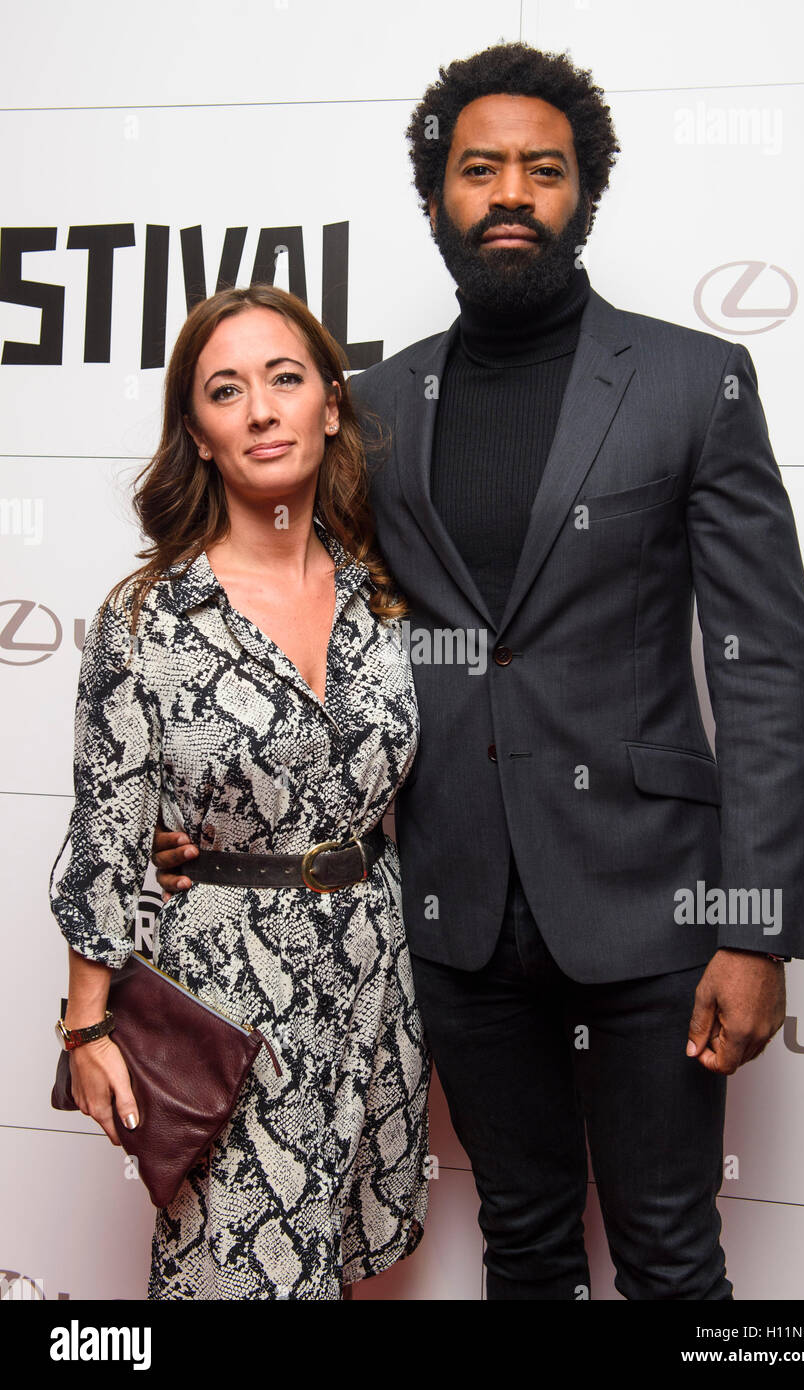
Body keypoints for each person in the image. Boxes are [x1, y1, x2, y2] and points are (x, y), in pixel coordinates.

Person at [155, 43, 804, 1300]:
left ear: (583, 195)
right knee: (520, 1247)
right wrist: (211, 817)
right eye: (478, 170)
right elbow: (304, 625)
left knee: (672, 1259)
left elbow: (768, 670)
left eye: (542, 169)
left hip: (653, 917)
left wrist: (755, 927)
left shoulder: (691, 381)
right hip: (451, 915)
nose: (509, 191)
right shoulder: (372, 406)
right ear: (436, 201)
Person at [49, 285, 430, 1301]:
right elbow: (106, 831)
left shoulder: (382, 595)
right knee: (235, 1277)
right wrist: (86, 1025)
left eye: (285, 378)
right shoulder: (148, 619)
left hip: (373, 979)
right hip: (227, 996)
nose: (261, 409)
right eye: (227, 391)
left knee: (353, 1265)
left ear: (330, 407)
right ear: (200, 435)